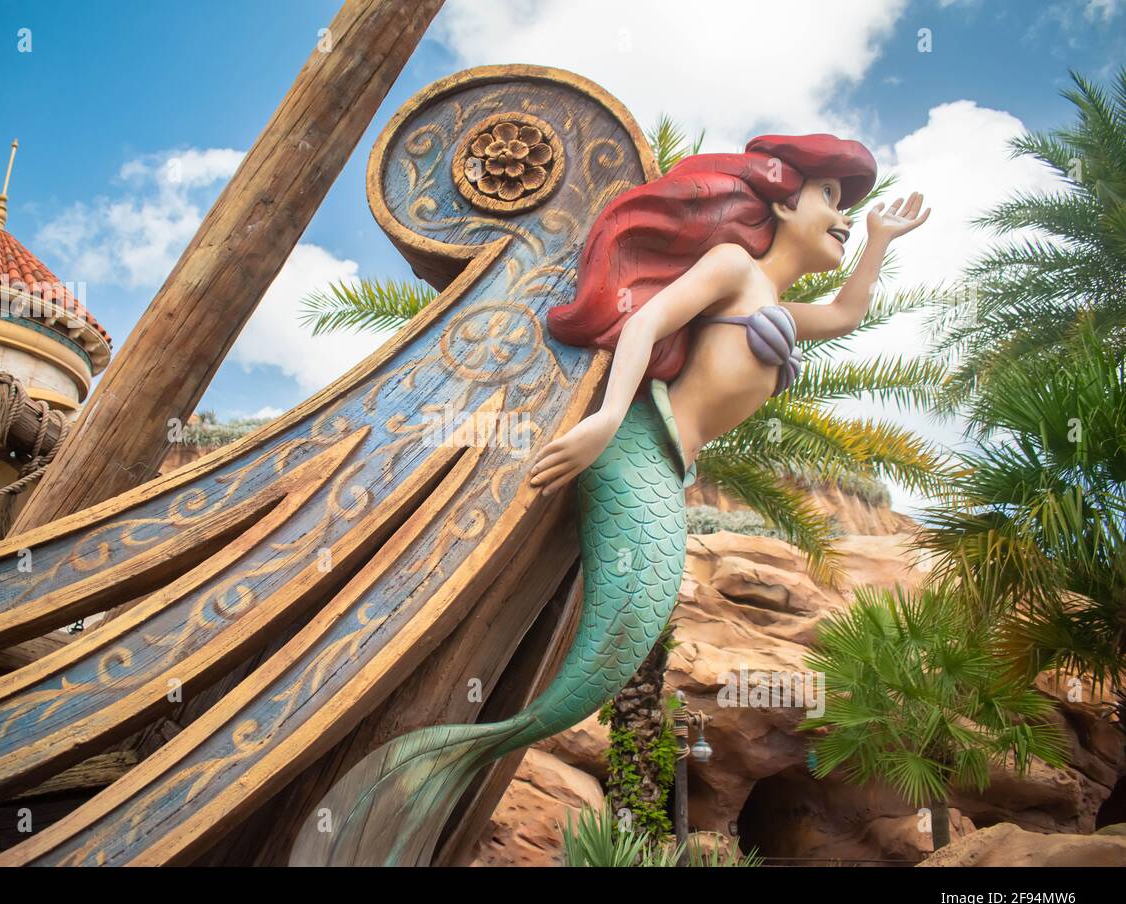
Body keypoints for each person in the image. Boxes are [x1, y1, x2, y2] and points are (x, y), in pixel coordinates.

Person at [291, 133, 930, 866]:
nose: (845, 215)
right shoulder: (731, 268)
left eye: (850, 207)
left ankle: (435, 778)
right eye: (830, 198)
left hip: (667, 468)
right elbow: (648, 320)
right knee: (625, 625)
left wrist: (880, 240)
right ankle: (419, 772)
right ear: (783, 201)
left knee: (620, 640)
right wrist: (602, 420)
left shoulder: (777, 301)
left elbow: (848, 315)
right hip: (632, 443)